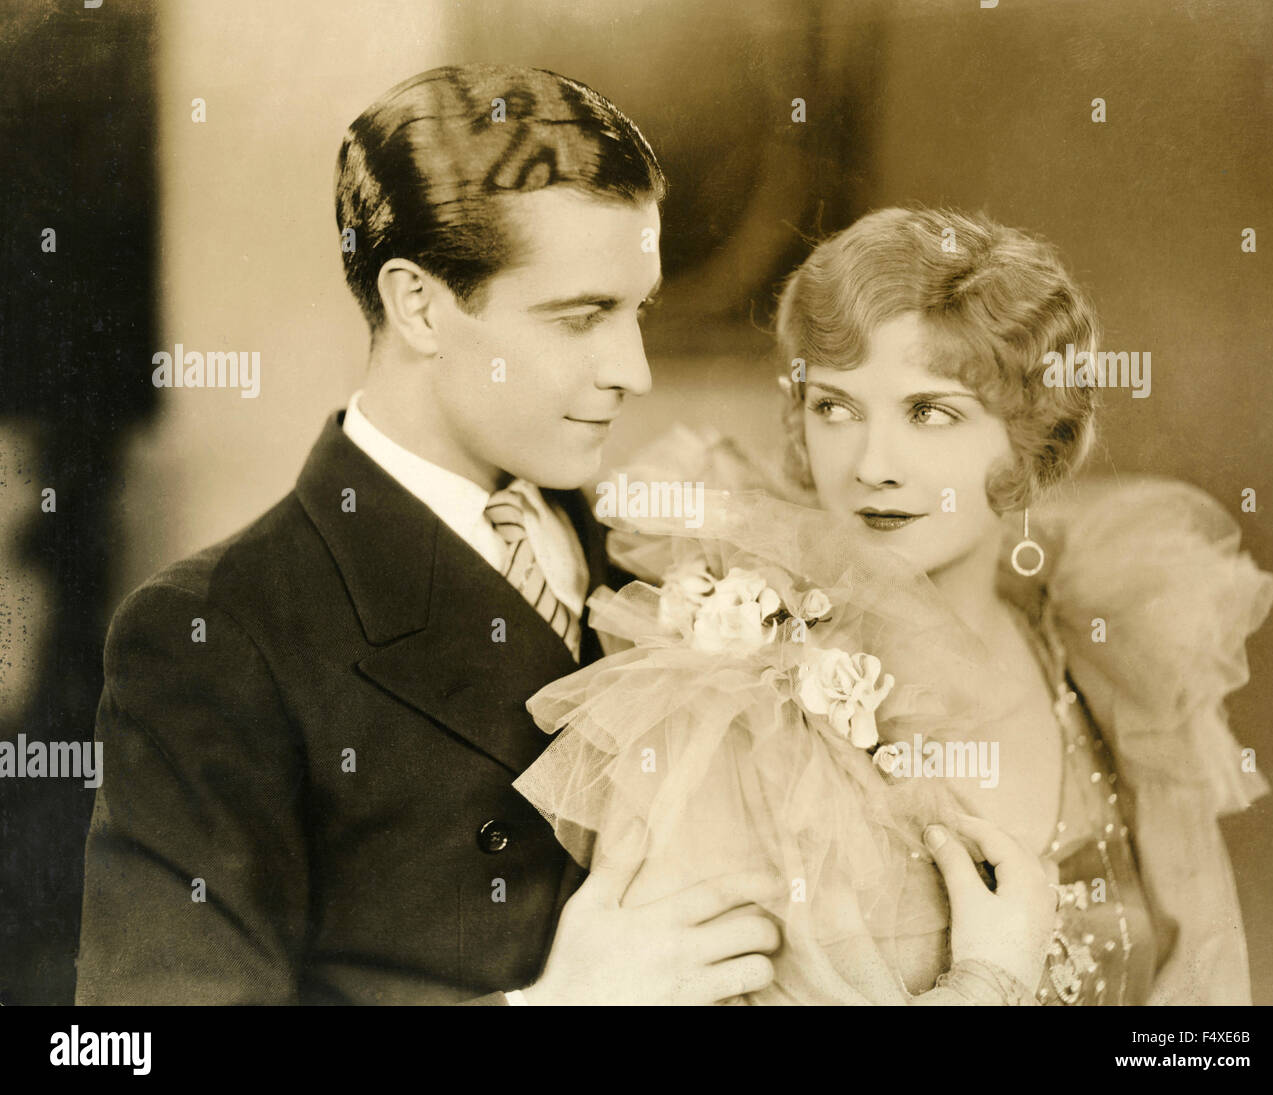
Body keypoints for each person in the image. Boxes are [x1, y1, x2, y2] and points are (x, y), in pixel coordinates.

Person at [75, 64, 781, 1006]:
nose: (636, 371)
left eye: (638, 310)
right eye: (582, 318)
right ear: (418, 304)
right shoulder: (215, 634)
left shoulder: (652, 556)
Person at [514, 206, 1273, 1004]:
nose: (873, 463)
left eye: (929, 411)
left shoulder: (1110, 655)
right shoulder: (731, 711)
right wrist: (985, 984)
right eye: (835, 408)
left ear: (1030, 442)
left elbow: (1209, 1020)